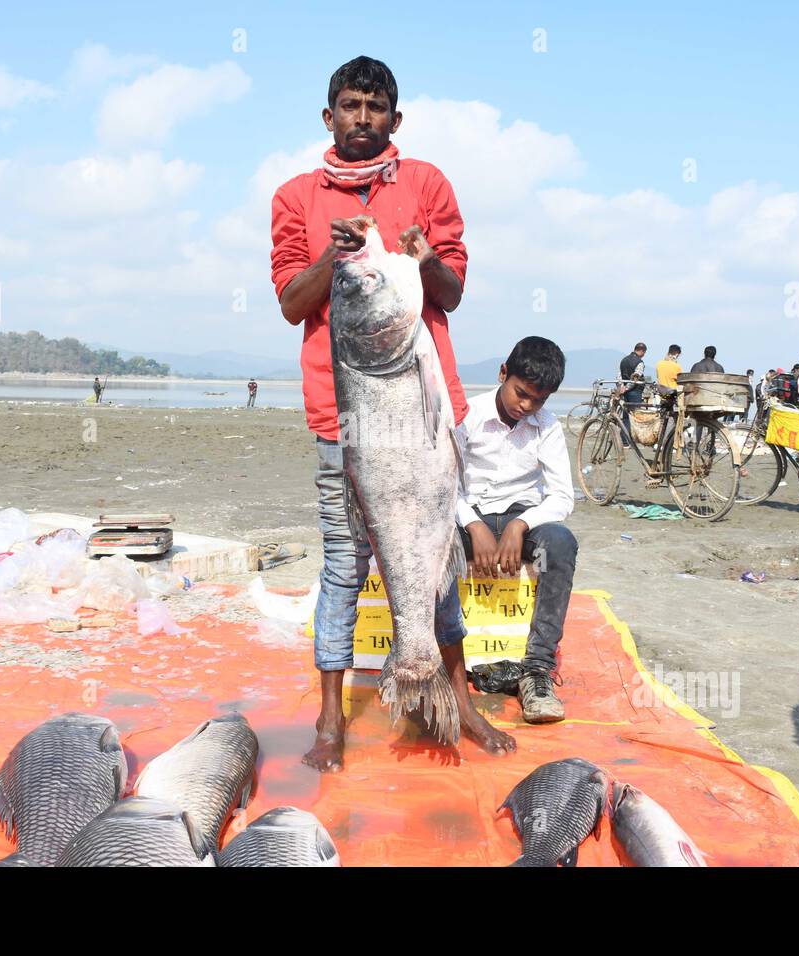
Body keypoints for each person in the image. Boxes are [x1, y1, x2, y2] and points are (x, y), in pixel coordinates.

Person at [270, 56, 512, 771]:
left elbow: (453, 288)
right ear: (328, 116)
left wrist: (426, 257)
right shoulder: (293, 196)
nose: (362, 118)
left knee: (438, 560)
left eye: (376, 108)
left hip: (428, 414)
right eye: (350, 106)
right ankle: (330, 719)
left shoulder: (427, 183)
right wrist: (335, 257)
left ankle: (457, 699)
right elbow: (291, 302)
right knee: (345, 566)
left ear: (394, 119)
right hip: (340, 416)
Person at [456, 336, 576, 724]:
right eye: (521, 393)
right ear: (502, 373)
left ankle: (536, 672)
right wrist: (473, 524)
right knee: (427, 542)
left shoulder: (548, 427)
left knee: (560, 542)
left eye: (538, 401)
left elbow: (562, 497)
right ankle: (439, 664)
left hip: (521, 518)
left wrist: (521, 524)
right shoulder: (465, 416)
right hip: (466, 515)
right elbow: (443, 486)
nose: (526, 406)